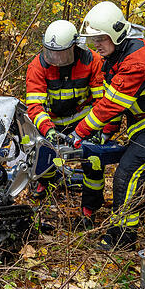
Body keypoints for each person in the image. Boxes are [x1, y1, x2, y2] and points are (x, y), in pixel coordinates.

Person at [67, 1, 145, 250]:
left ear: (115, 33)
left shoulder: (137, 60)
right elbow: (112, 99)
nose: (96, 45)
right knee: (135, 175)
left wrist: (78, 133)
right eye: (93, 40)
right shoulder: (118, 54)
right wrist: (106, 132)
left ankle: (123, 239)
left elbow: (111, 105)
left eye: (100, 39)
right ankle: (122, 229)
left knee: (127, 174)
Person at [25, 20, 111, 214]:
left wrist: (98, 129)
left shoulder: (93, 61)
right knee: (42, 153)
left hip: (84, 120)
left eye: (61, 53)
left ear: (75, 46)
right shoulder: (37, 66)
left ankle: (89, 208)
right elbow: (35, 105)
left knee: (93, 161)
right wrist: (48, 129)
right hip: (52, 121)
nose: (55, 58)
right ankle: (44, 183)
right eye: (51, 52)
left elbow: (102, 102)